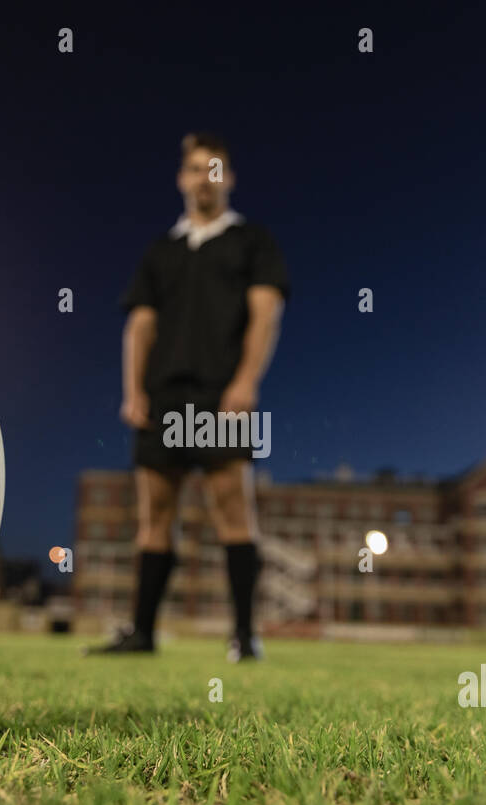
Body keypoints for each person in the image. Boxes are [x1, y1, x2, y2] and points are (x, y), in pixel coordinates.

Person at [86, 131, 289, 661]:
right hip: (161, 396)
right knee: (154, 514)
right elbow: (140, 326)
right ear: (183, 179)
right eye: (196, 168)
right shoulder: (161, 250)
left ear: (229, 178)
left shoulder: (252, 241)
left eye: (215, 168)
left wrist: (246, 381)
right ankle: (143, 633)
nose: (206, 178)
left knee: (232, 510)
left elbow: (266, 313)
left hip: (222, 394)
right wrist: (132, 390)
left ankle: (245, 638)